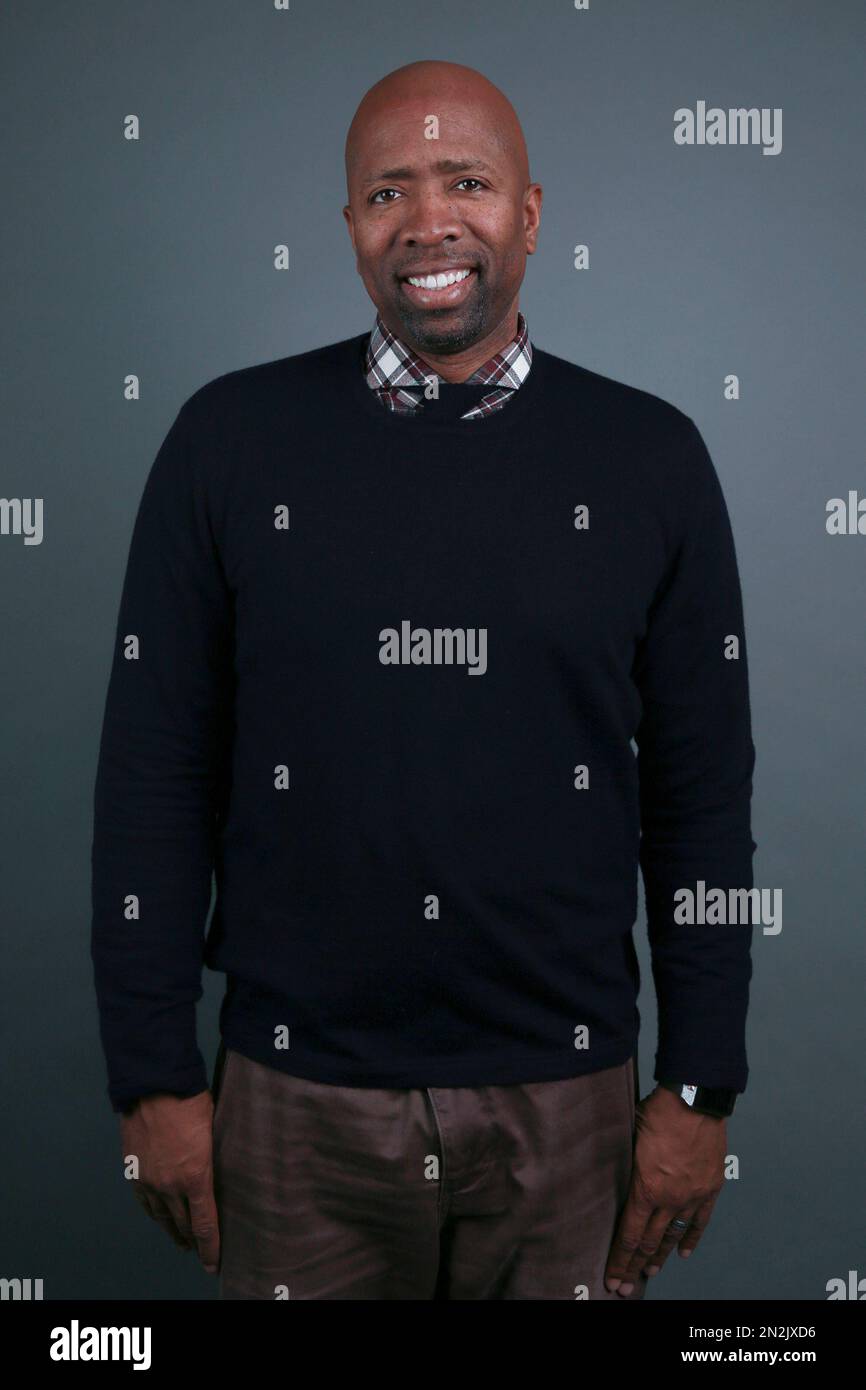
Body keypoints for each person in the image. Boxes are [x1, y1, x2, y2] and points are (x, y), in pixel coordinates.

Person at [91, 59, 757, 1301]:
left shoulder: (651, 459)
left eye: (466, 183)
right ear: (349, 223)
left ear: (530, 214)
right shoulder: (226, 443)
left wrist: (700, 1083)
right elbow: (152, 777)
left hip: (567, 1099)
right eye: (387, 191)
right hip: (294, 1093)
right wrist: (151, 1073)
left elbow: (702, 801)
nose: (428, 221)